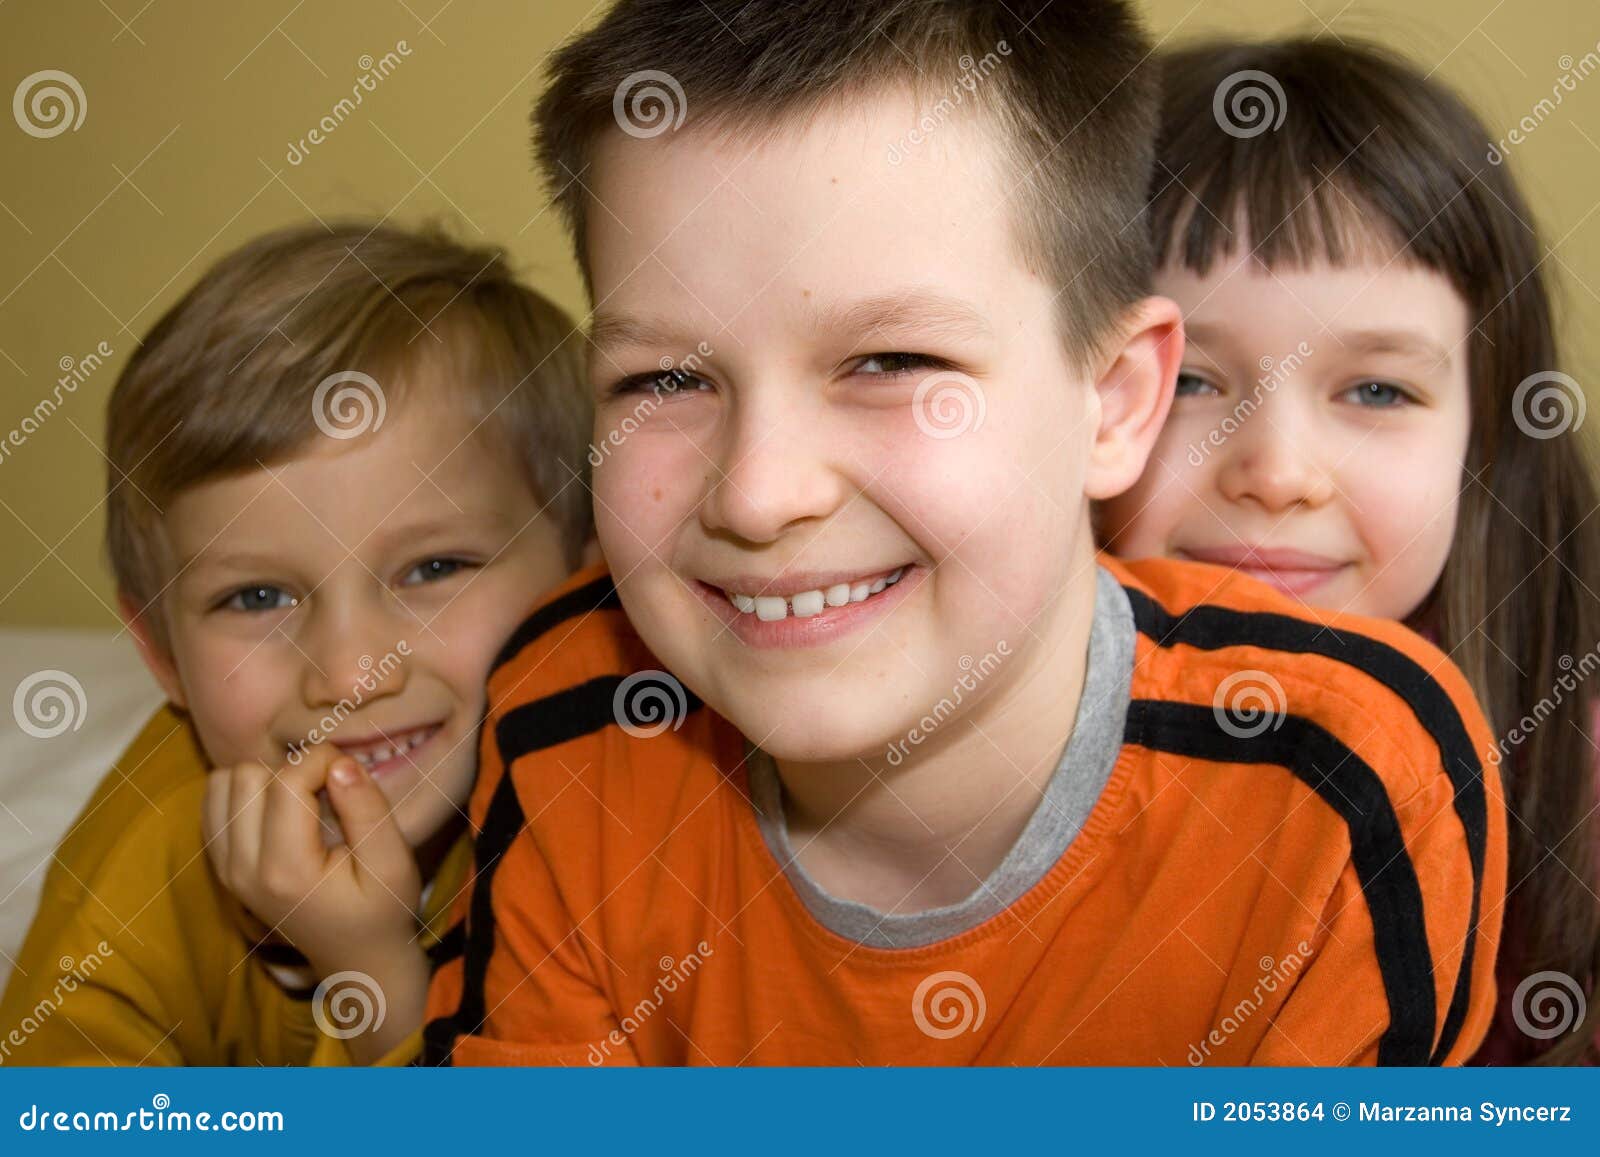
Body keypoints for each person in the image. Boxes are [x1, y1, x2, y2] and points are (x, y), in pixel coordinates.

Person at [421, 0, 1505, 1065]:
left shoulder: (1344, 790)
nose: (756, 495)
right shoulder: (565, 722)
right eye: (664, 379)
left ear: (1114, 402)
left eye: (892, 362)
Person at [1097, 37, 1600, 1066]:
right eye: (1190, 381)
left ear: (1483, 440)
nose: (1279, 473)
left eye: (1376, 389)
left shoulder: (1577, 781)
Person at [0, 221, 594, 1066]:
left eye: (433, 568)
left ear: (588, 574)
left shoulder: (626, 800)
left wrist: (369, 967)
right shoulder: (143, 870)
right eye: (258, 596)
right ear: (161, 653)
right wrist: (362, 970)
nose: (350, 674)